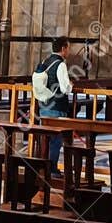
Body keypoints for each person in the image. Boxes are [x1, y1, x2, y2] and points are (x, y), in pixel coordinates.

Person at [31, 37, 75, 171]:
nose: (69, 51)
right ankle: (52, 169)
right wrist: (71, 86)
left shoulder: (46, 61)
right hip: (56, 107)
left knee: (45, 139)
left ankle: (43, 167)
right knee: (56, 141)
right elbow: (64, 88)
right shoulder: (60, 64)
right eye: (68, 48)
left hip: (44, 105)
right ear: (63, 48)